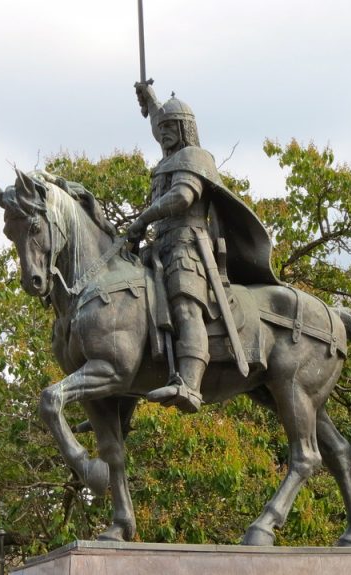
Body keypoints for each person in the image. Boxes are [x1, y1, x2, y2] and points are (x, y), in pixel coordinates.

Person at [127, 81, 278, 413]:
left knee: (185, 306)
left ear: (185, 129)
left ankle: (190, 385)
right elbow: (158, 121)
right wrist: (151, 101)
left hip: (188, 248)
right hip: (159, 247)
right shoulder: (168, 157)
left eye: (170, 127)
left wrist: (143, 218)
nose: (163, 132)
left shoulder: (194, 157)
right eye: (160, 127)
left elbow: (183, 196)